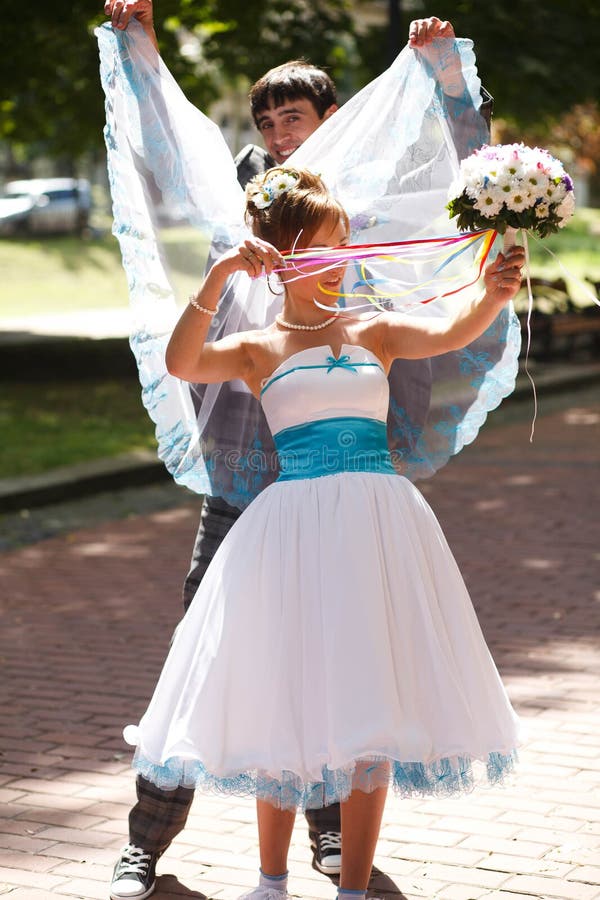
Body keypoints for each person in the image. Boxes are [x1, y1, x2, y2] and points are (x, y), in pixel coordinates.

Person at [100, 6, 502, 898]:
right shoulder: (247, 203)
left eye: (296, 117)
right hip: (251, 467)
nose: (281, 133)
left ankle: (329, 842)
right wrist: (140, 49)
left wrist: (441, 76)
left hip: (351, 468)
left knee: (340, 646)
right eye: (268, 121)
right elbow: (170, 152)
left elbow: (463, 179)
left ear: (336, 120)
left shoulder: (365, 206)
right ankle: (146, 842)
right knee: (209, 647)